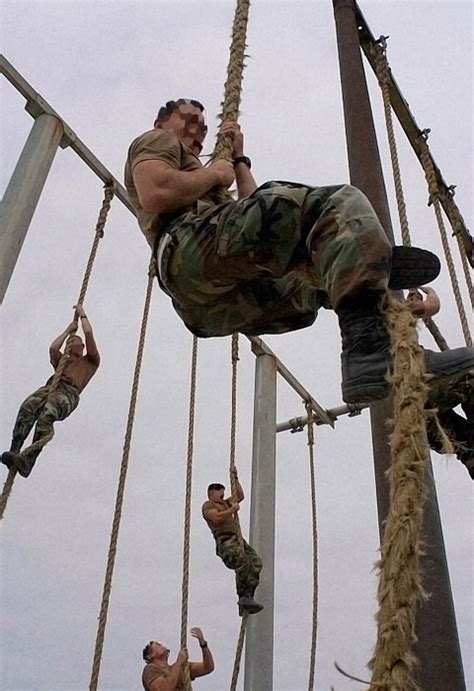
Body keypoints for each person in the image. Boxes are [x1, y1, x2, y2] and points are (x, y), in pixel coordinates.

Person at [124, 98, 474, 405]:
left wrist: (240, 160)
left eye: (202, 125)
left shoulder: (204, 179)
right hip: (183, 253)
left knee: (314, 286)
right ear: (161, 123)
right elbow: (156, 192)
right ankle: (360, 259)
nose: (197, 129)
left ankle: (378, 328)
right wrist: (216, 172)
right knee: (336, 205)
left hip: (210, 309)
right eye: (188, 119)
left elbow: (255, 209)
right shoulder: (158, 141)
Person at [1, 305, 100, 478]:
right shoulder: (63, 361)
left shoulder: (90, 361)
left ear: (82, 347)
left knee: (48, 414)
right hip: (51, 387)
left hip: (68, 393)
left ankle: (29, 459)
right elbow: (53, 348)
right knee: (28, 406)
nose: (70, 345)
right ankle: (15, 449)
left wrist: (83, 316)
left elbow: (89, 334)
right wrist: (68, 330)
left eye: (74, 343)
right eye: (69, 343)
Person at [405, 287, 473, 478]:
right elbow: (432, 306)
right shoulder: (389, 310)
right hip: (416, 389)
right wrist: (428, 297)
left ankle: (470, 452)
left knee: (463, 441)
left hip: (420, 421)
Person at [202, 468, 263, 615]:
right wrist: (232, 510)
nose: (223, 496)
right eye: (220, 493)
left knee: (255, 562)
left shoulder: (225, 503)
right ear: (212, 494)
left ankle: (247, 596)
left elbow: (240, 496)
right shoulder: (209, 505)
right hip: (226, 540)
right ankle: (243, 596)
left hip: (237, 539)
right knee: (241, 563)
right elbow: (216, 518)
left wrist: (235, 479)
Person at [141, 627, 214, 690]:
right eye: (157, 644)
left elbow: (208, 667)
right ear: (149, 656)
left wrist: (203, 644)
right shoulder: (150, 669)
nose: (161, 644)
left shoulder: (180, 668)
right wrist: (179, 662)